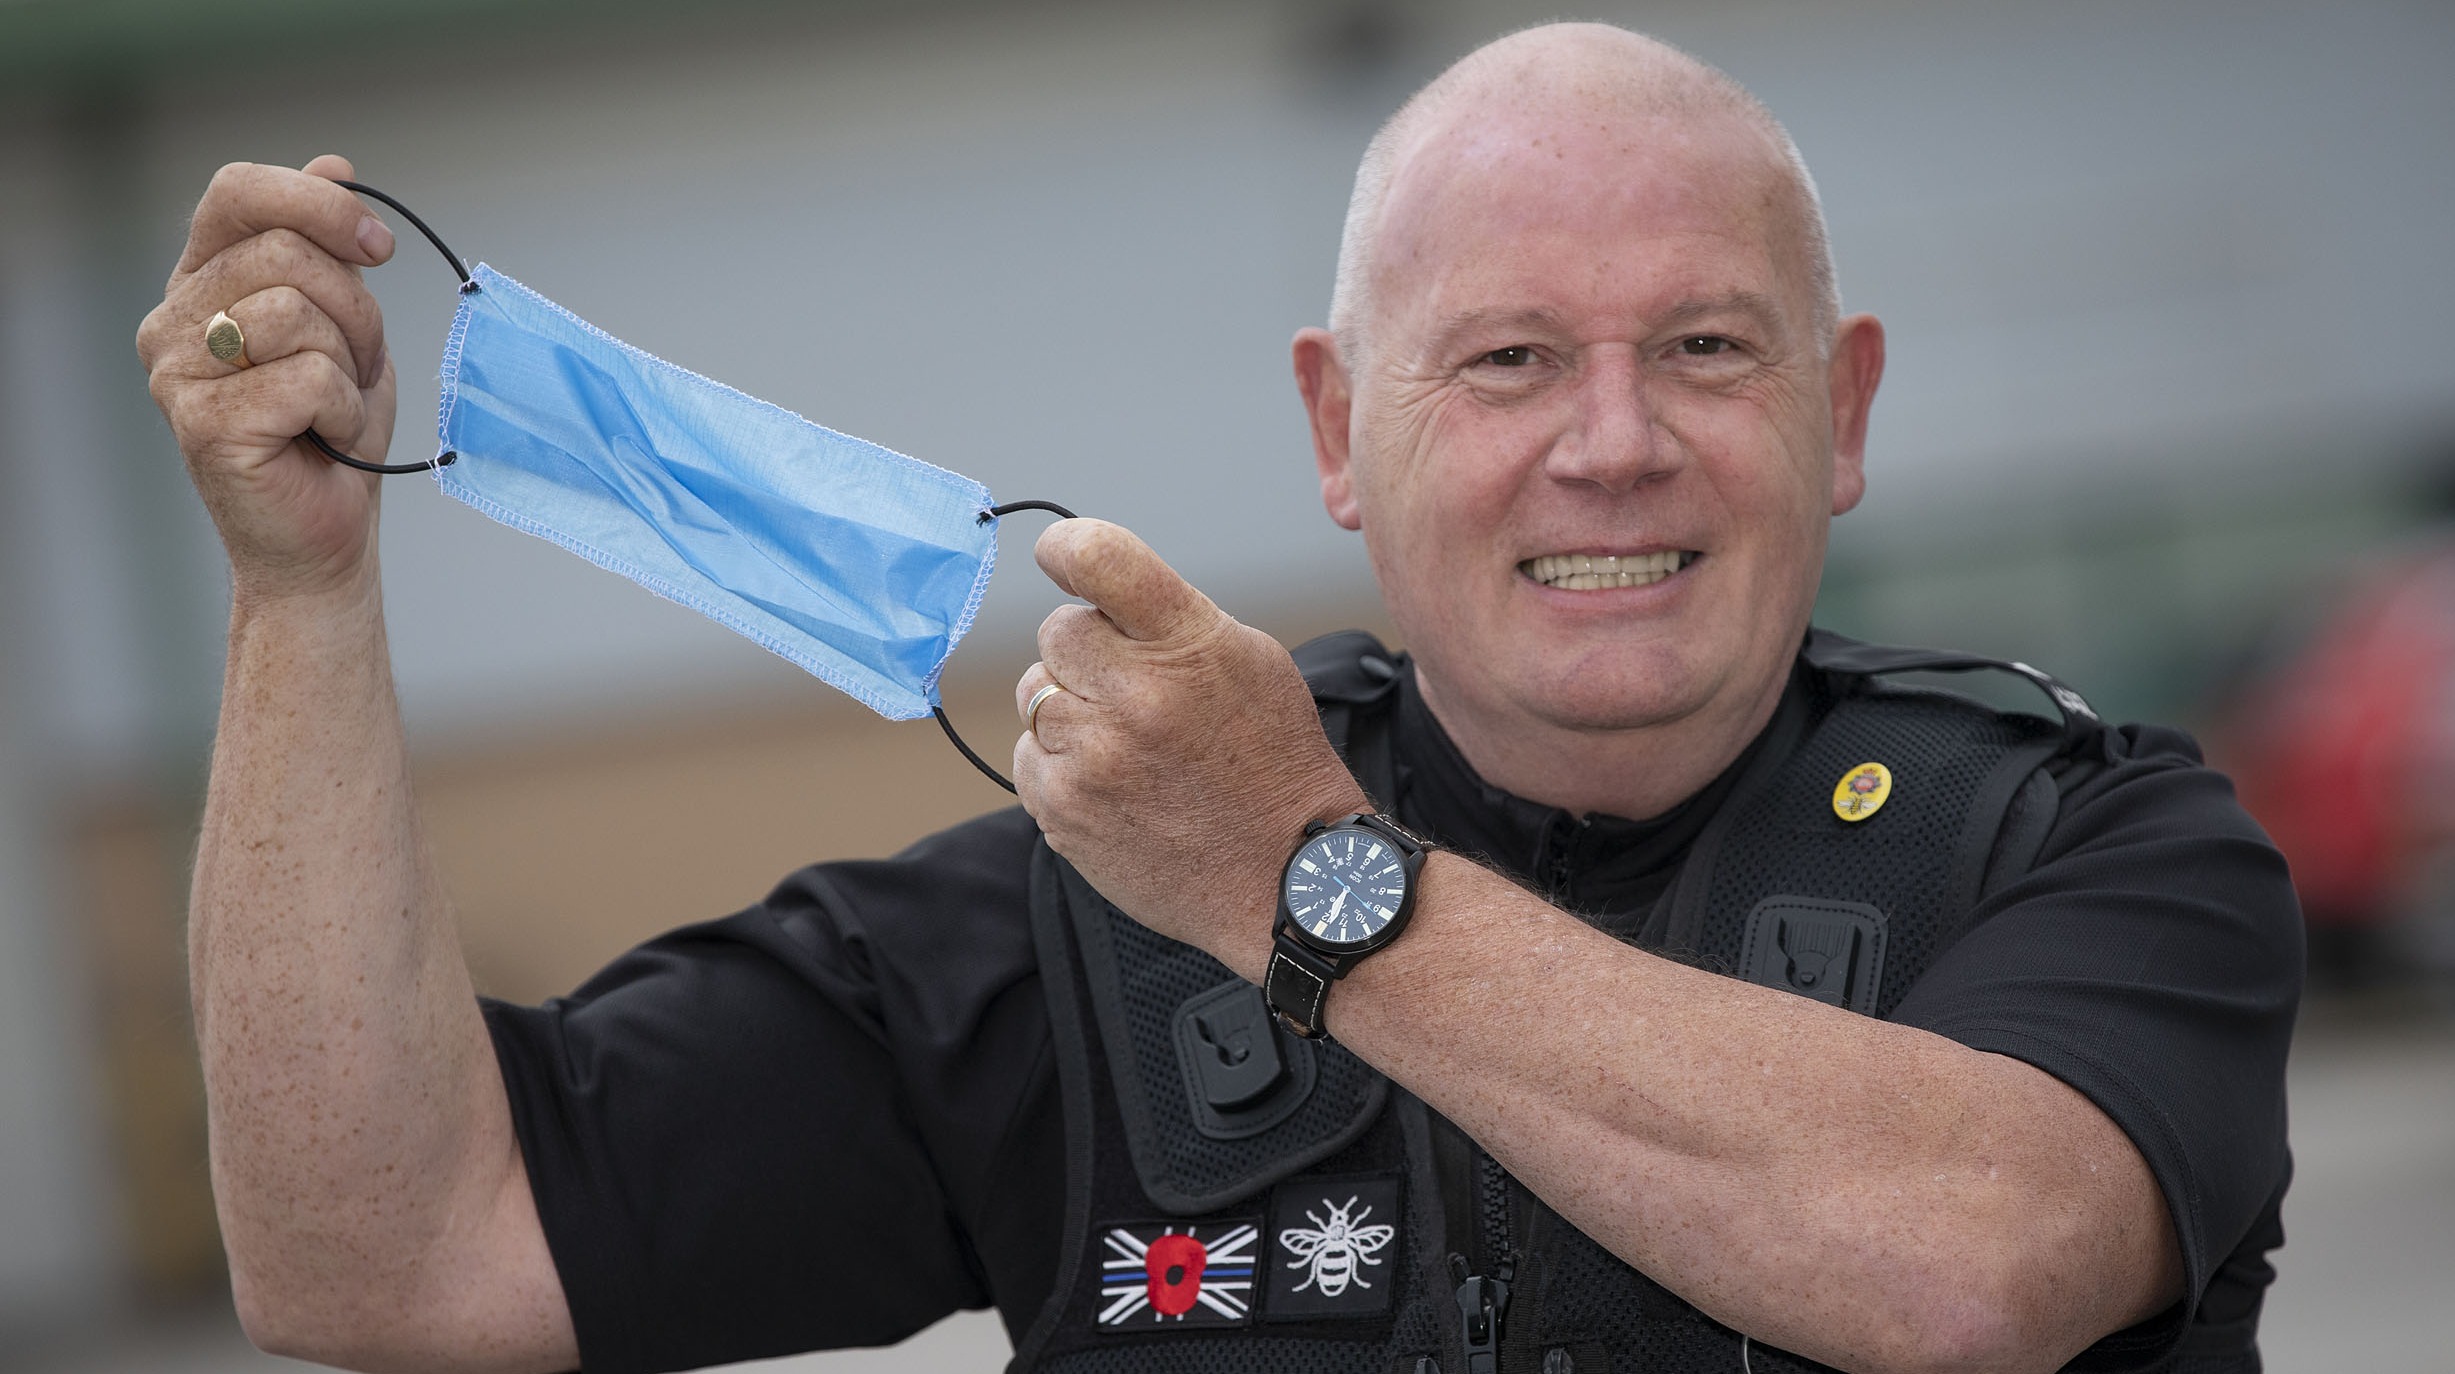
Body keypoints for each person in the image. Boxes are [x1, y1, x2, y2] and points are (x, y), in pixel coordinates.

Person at [134, 22, 2298, 1374]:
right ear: (1339, 429)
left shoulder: (2103, 847)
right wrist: (299, 604)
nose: (1613, 443)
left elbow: (1970, 1272)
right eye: (1511, 358)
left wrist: (1303, 879)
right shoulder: (1073, 921)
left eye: (1709, 349)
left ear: (1842, 410)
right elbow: (392, 1261)